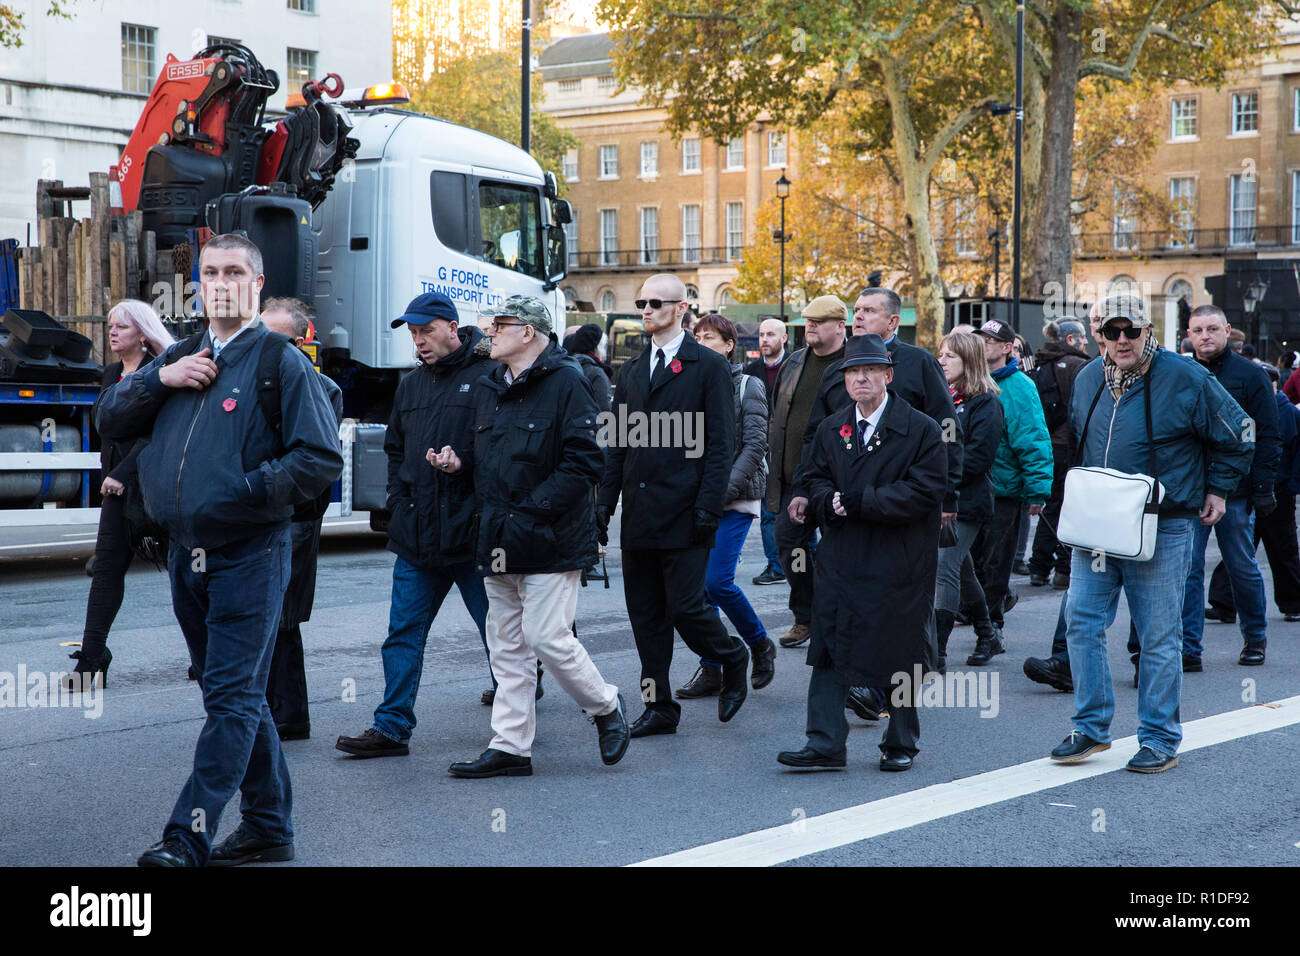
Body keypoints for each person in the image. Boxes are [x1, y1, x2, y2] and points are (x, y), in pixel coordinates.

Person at [95, 233, 342, 866]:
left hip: (250, 555)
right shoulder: (179, 357)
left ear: (256, 285)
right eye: (209, 272)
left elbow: (318, 459)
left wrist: (243, 492)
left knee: (231, 699)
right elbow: (110, 419)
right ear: (198, 284)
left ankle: (187, 836)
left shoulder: (279, 362)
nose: (220, 282)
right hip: (186, 556)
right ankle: (269, 826)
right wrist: (160, 376)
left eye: (234, 271)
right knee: (233, 696)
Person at [1049, 294, 1252, 774]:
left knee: (1159, 634)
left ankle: (1160, 737)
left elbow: (1240, 433)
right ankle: (1091, 728)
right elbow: (1079, 436)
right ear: (1100, 334)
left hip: (1164, 522)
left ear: (1148, 331)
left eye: (1131, 331)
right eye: (1112, 331)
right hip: (1097, 524)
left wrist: (1219, 490)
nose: (1121, 340)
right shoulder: (1086, 379)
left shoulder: (1186, 376)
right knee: (1081, 622)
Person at [439, 296, 629, 777]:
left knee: (546, 637)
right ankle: (510, 746)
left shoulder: (569, 383)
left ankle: (606, 705)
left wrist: (531, 511)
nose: (488, 333)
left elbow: (587, 461)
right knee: (506, 646)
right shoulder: (489, 384)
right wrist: (458, 462)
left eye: (498, 324)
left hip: (550, 537)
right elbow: (485, 454)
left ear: (528, 332)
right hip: (497, 535)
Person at [335, 291, 505, 760]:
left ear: (452, 327)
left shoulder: (490, 375)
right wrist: (398, 501)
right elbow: (395, 451)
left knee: (498, 633)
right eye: (412, 334)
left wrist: (462, 463)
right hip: (417, 535)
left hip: (471, 534)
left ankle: (515, 714)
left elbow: (503, 451)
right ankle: (391, 727)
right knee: (402, 633)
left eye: (426, 331)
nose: (419, 341)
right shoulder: (411, 385)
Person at [776, 334, 946, 772]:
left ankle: (901, 741)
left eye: (870, 370)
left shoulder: (921, 428)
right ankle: (825, 742)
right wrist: (822, 497)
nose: (861, 378)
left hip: (898, 559)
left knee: (898, 650)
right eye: (853, 372)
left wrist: (858, 501)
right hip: (842, 556)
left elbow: (923, 492)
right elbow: (811, 476)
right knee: (830, 645)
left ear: (888, 376)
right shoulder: (834, 427)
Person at [597, 273, 749, 737]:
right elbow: (616, 445)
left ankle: (733, 655)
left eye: (656, 303)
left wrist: (707, 508)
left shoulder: (708, 365)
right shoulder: (632, 370)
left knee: (686, 608)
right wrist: (601, 510)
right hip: (640, 516)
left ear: (682, 308)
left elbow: (722, 445)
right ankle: (659, 706)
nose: (645, 309)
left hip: (687, 512)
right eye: (641, 302)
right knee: (646, 617)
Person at [65, 300, 176, 692]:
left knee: (184, 572)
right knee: (107, 570)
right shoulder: (111, 373)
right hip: (116, 491)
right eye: (110, 326)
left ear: (143, 334)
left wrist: (124, 473)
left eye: (122, 328)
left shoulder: (162, 372)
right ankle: (93, 657)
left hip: (156, 488)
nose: (112, 333)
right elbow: (107, 430)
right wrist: (111, 475)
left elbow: (160, 435)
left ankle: (207, 656)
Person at [675, 313, 776, 698]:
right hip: (694, 497)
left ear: (730, 345)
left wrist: (720, 489)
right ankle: (712, 667)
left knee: (716, 582)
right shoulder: (689, 383)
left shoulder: (746, 384)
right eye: (697, 337)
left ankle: (759, 643)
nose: (702, 343)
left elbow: (755, 445)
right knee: (697, 590)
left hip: (734, 498)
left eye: (711, 338)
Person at [257, 298, 343, 741]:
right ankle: (275, 710)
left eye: (278, 338)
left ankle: (288, 714)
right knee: (264, 614)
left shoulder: (321, 388)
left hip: (294, 516)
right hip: (270, 514)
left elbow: (315, 462)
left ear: (302, 341)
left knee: (283, 615)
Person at [1180, 304, 1278, 669]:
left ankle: (1255, 637)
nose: (1205, 335)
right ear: (1188, 335)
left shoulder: (1250, 375)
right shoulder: (1181, 371)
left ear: (1227, 331)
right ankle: (1190, 647)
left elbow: (1267, 432)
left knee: (1241, 566)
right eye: (1197, 330)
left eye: (1211, 329)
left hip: (1235, 490)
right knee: (1187, 570)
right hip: (1188, 489)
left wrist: (1264, 486)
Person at [967, 319, 1053, 663]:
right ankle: (984, 617)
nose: (984, 344)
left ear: (1007, 348)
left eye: (991, 340)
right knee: (966, 565)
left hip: (1004, 493)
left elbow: (1033, 440)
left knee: (995, 564)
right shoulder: (967, 383)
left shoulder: (1020, 387)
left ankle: (991, 628)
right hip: (970, 490)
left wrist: (1036, 491)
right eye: (981, 339)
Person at [767, 296, 847, 649]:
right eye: (807, 321)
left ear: (840, 326)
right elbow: (777, 415)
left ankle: (834, 617)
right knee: (790, 543)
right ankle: (806, 615)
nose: (810, 325)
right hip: (790, 479)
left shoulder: (854, 364)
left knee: (837, 552)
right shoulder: (795, 361)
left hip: (834, 480)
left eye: (819, 320)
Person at [1206, 363, 1300, 623]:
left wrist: (1290, 485)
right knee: (1238, 554)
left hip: (1277, 491)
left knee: (1281, 549)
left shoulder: (1288, 412)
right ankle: (1224, 603)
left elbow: (1288, 448)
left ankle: (1292, 602)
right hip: (1248, 488)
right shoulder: (1248, 410)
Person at [934, 331, 1004, 672]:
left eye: (950, 356)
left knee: (944, 566)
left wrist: (937, 479)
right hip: (941, 497)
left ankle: (936, 650)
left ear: (970, 362)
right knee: (962, 571)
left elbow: (977, 460)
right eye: (941, 355)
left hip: (967, 502)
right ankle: (987, 633)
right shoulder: (943, 398)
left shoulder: (986, 402)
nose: (942, 361)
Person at [1027, 318, 1091, 590]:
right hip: (1068, 446)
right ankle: (1064, 567)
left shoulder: (1041, 363)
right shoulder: (1078, 366)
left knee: (1050, 504)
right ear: (1069, 339)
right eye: (1081, 336)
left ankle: (1038, 567)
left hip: (1047, 442)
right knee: (1069, 507)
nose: (1086, 341)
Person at [747, 317, 788, 585]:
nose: (764, 340)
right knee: (768, 511)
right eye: (761, 334)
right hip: (763, 450)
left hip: (791, 448)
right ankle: (776, 566)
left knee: (801, 509)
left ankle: (810, 561)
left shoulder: (796, 366)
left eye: (771, 334)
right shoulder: (751, 370)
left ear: (783, 338)